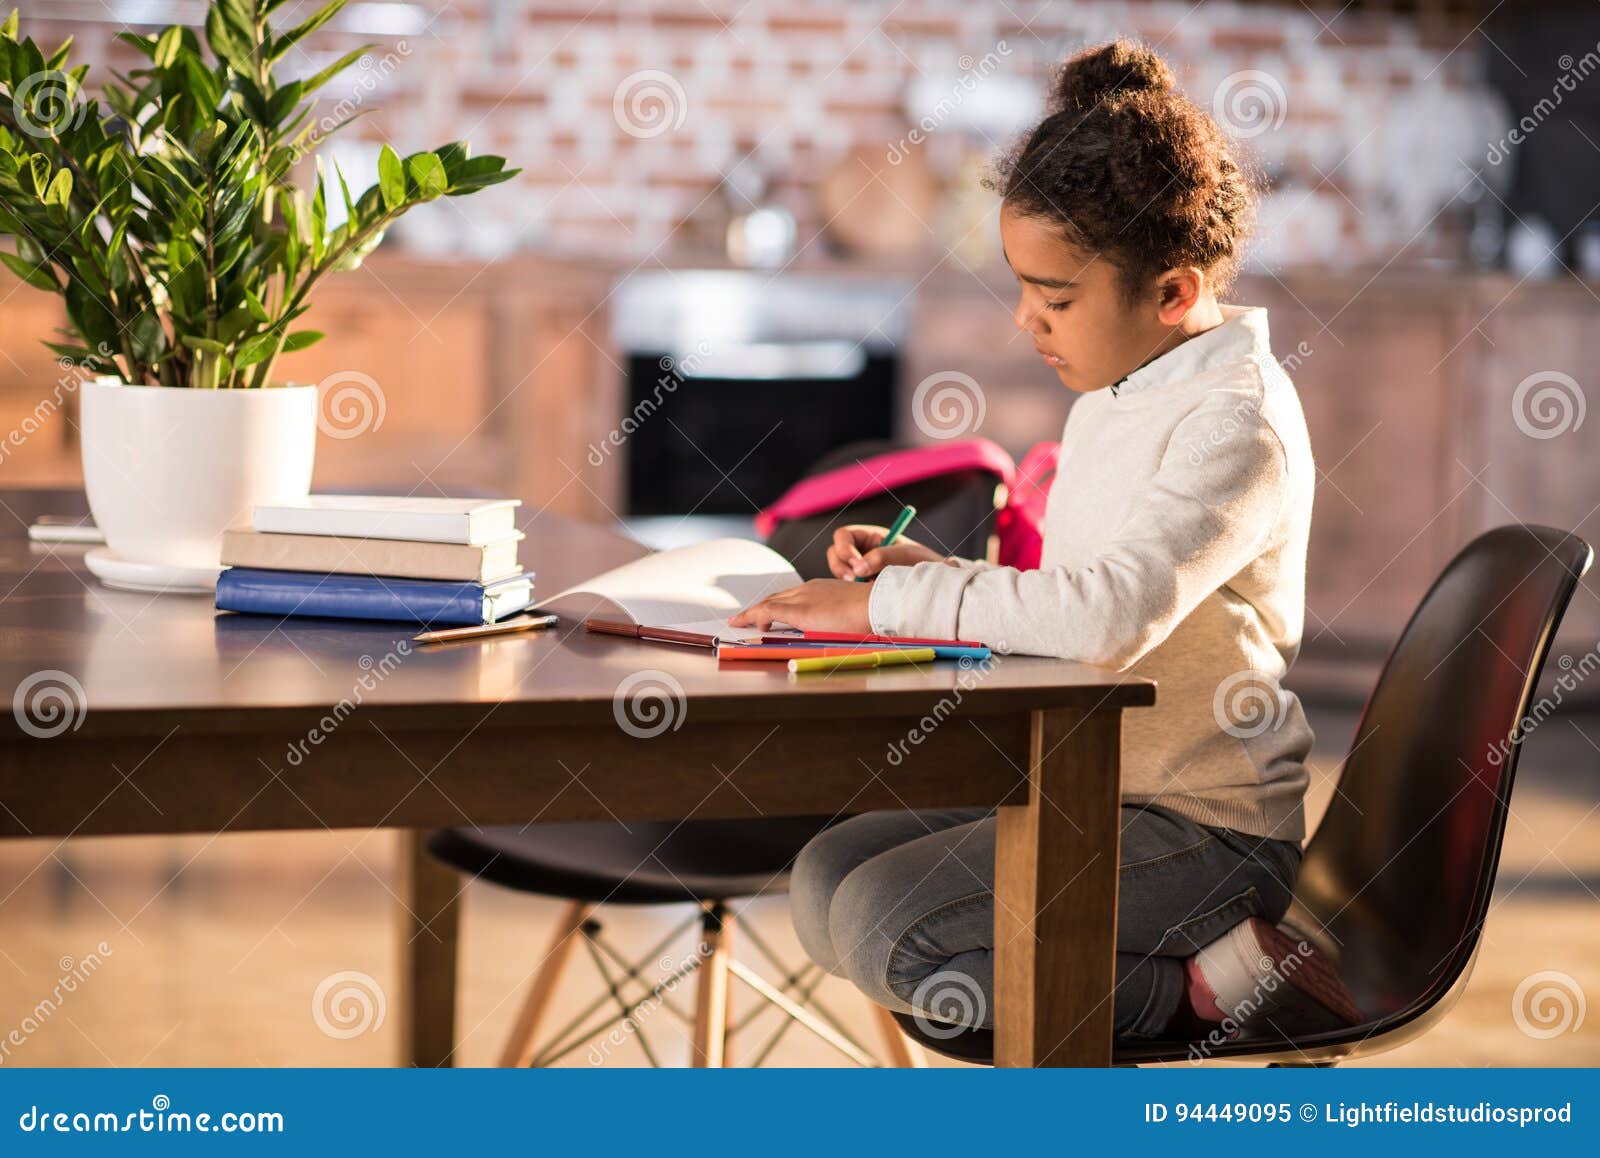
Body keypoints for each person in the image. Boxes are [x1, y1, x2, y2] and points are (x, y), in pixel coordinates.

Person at [729, 40, 1360, 1041]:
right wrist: (936, 575)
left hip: (1200, 829)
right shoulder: (1120, 388)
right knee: (826, 874)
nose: (1027, 318)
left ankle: (1212, 991)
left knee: (888, 922)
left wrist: (883, 606)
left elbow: (1108, 618)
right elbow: (1070, 593)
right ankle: (1173, 972)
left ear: (1173, 291)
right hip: (1089, 785)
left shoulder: (1236, 425)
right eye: (1023, 286)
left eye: (1055, 297)